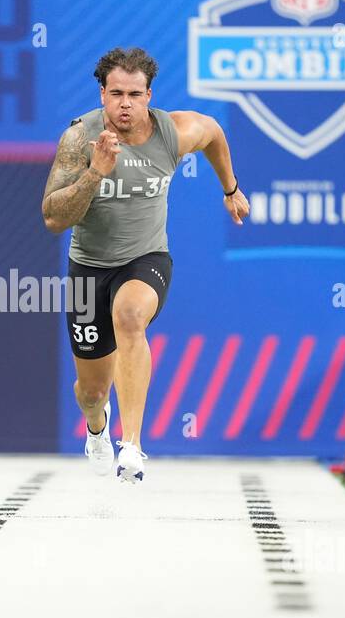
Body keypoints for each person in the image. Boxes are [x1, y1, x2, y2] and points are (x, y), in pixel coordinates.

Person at [40, 47, 248, 483]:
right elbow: (53, 218)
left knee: (131, 316)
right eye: (116, 93)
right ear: (102, 94)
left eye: (135, 94)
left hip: (146, 257)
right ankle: (97, 428)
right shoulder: (79, 139)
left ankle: (131, 445)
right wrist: (95, 173)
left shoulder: (173, 132)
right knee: (91, 392)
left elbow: (213, 133)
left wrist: (230, 189)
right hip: (88, 269)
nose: (125, 104)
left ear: (149, 96)